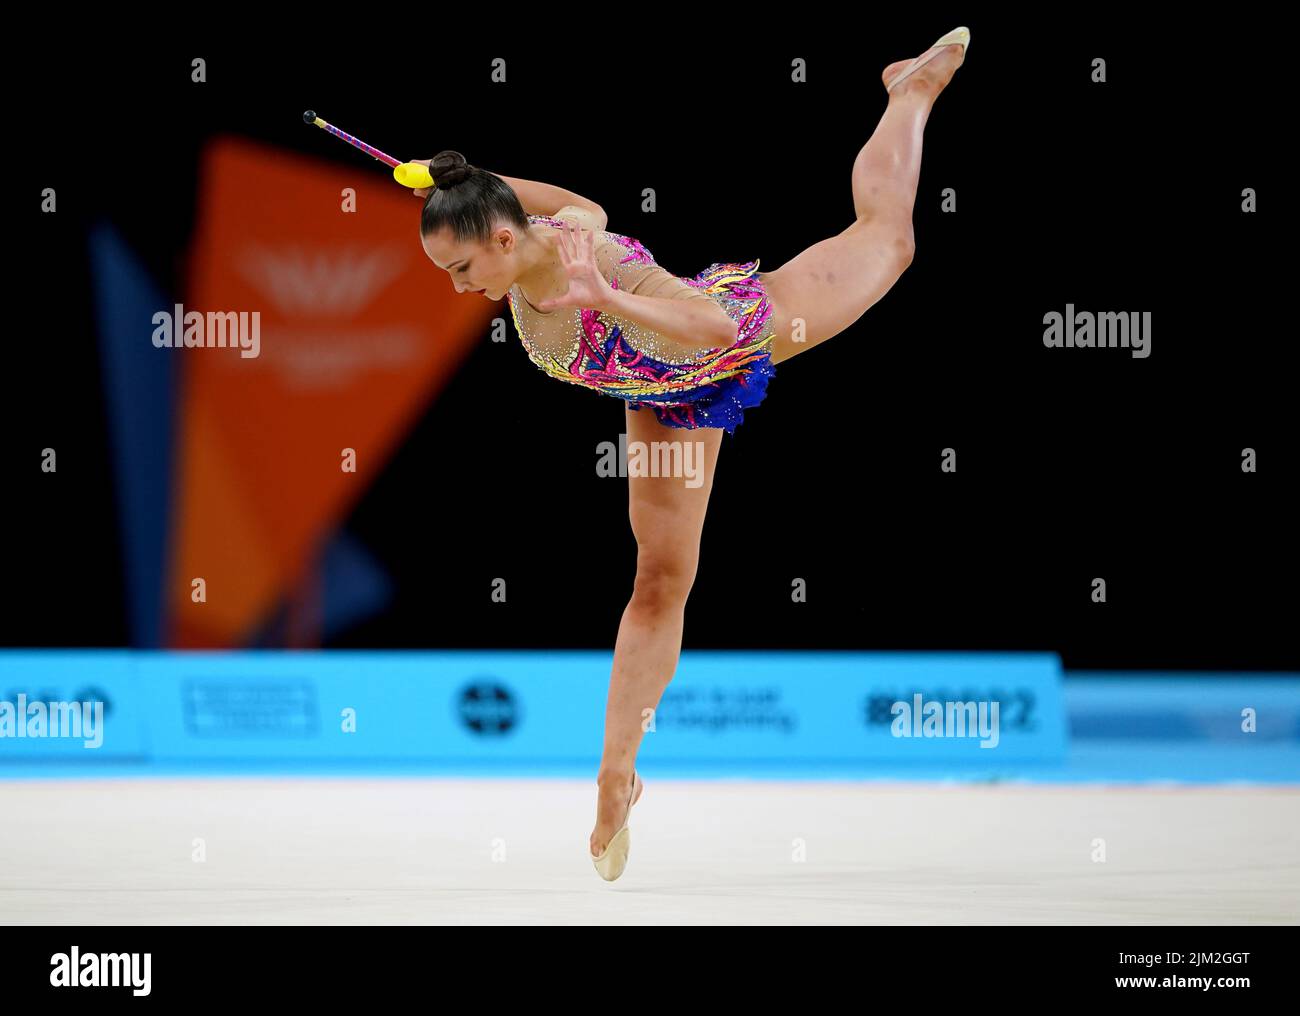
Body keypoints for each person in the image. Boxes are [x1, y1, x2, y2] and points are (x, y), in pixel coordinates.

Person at [414, 27, 970, 880]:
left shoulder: (587, 263)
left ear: (497, 241)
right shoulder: (552, 242)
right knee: (660, 580)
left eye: (457, 267)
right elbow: (575, 206)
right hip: (666, 401)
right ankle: (615, 768)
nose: (458, 289)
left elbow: (714, 331)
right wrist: (456, 175)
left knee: (888, 238)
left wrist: (604, 295)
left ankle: (909, 94)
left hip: (749, 328)